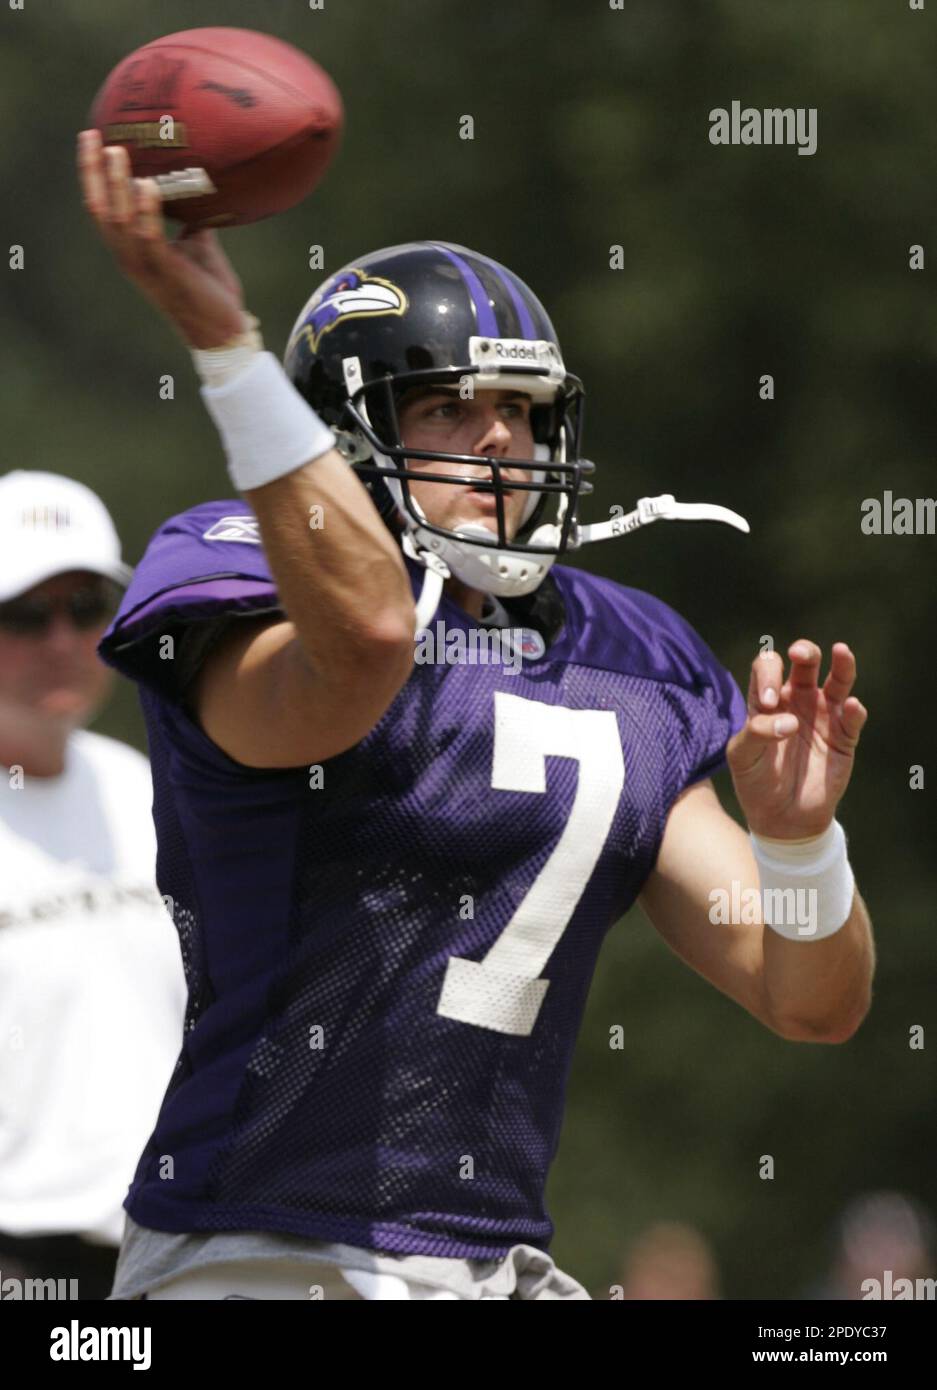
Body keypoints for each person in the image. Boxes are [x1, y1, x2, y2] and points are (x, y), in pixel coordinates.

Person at [77, 129, 876, 1302]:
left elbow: (810, 999)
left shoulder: (629, 650)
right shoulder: (234, 565)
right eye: (451, 406)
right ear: (339, 436)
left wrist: (801, 840)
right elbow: (363, 650)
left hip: (490, 1265)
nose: (503, 437)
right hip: (255, 1251)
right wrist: (223, 349)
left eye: (523, 405)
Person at [0, 469, 187, 1300]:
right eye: (23, 615)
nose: (62, 641)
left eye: (86, 609)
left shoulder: (148, 793)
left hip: (173, 1253)